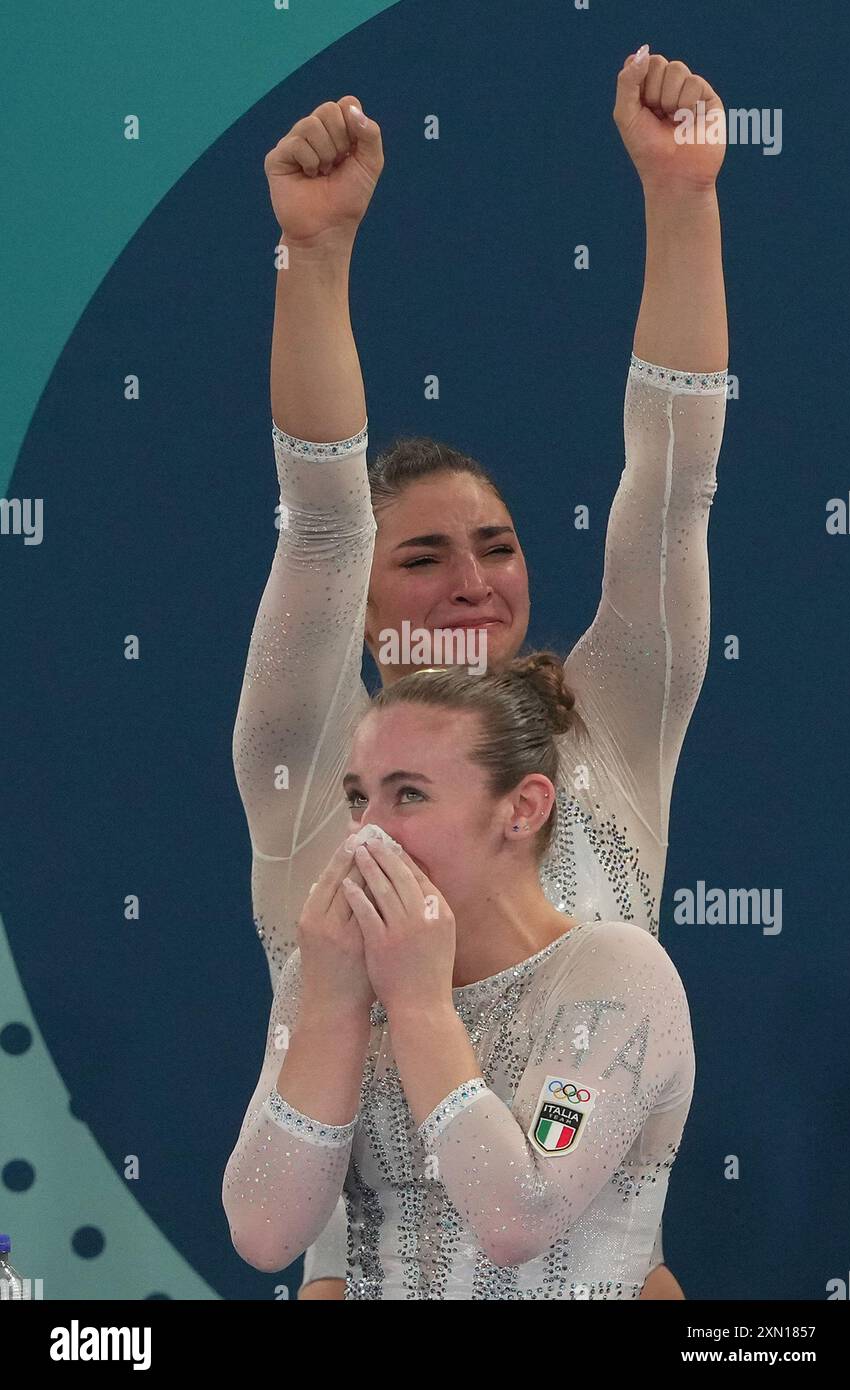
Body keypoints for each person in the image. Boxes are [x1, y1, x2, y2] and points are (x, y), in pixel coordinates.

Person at [233, 45, 727, 1297]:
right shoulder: (317, 778)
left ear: (529, 810)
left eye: (497, 548)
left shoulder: (605, 729)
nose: (472, 581)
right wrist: (316, 258)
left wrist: (681, 201)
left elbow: (667, 501)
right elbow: (323, 516)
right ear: (361, 606)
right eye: (425, 559)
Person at [223, 654, 695, 1299]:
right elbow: (265, 1234)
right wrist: (333, 1004)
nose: (367, 835)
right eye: (359, 798)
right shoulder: (330, 976)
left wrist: (417, 1003)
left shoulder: (615, 972)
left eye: (409, 794)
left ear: (523, 808)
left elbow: (517, 1222)